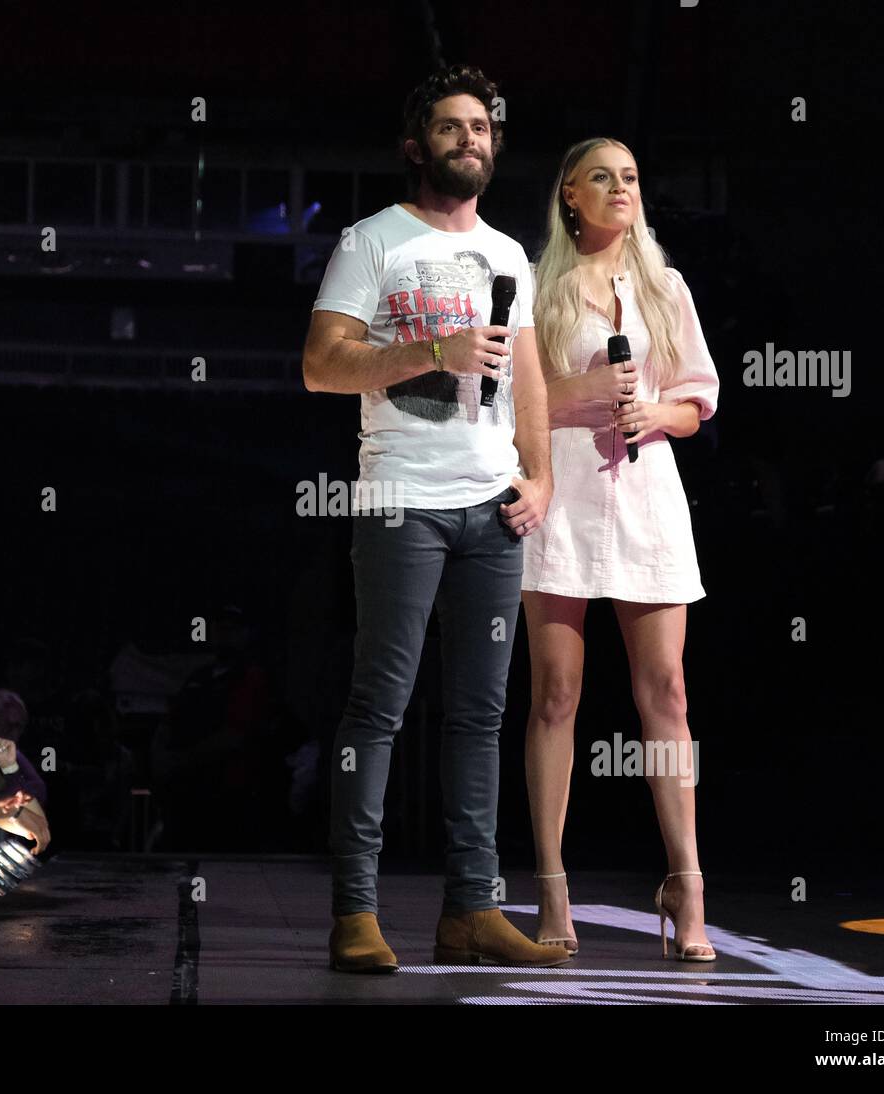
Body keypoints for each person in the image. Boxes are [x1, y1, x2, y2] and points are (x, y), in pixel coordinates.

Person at [303, 63, 566, 972]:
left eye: (483, 129)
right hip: (399, 499)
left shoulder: (508, 255)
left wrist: (542, 478)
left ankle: (471, 908)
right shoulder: (371, 240)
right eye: (452, 129)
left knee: (480, 716)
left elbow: (526, 378)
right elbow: (321, 365)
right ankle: (356, 912)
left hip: (492, 507)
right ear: (418, 145)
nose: (471, 141)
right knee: (379, 704)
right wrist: (429, 350)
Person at [522, 137, 721, 960]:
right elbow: (509, 404)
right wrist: (579, 393)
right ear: (570, 194)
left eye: (632, 177)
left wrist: (657, 414)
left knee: (667, 690)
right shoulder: (538, 288)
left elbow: (698, 400)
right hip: (562, 492)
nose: (621, 189)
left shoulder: (663, 286)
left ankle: (686, 883)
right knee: (557, 694)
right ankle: (551, 888)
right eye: (603, 177)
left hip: (645, 496)